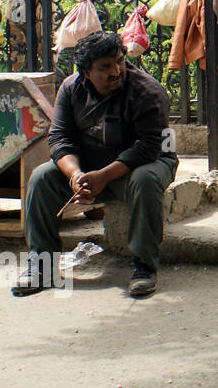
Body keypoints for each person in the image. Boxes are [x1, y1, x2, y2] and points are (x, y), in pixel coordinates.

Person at [12, 31, 179, 298]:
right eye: (105, 67)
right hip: (91, 164)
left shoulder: (147, 91)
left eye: (119, 61)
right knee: (41, 178)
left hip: (145, 163)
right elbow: (59, 138)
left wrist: (103, 176)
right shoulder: (70, 88)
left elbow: (149, 146)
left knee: (145, 180)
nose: (116, 71)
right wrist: (75, 175)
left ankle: (144, 267)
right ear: (86, 72)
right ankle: (42, 266)